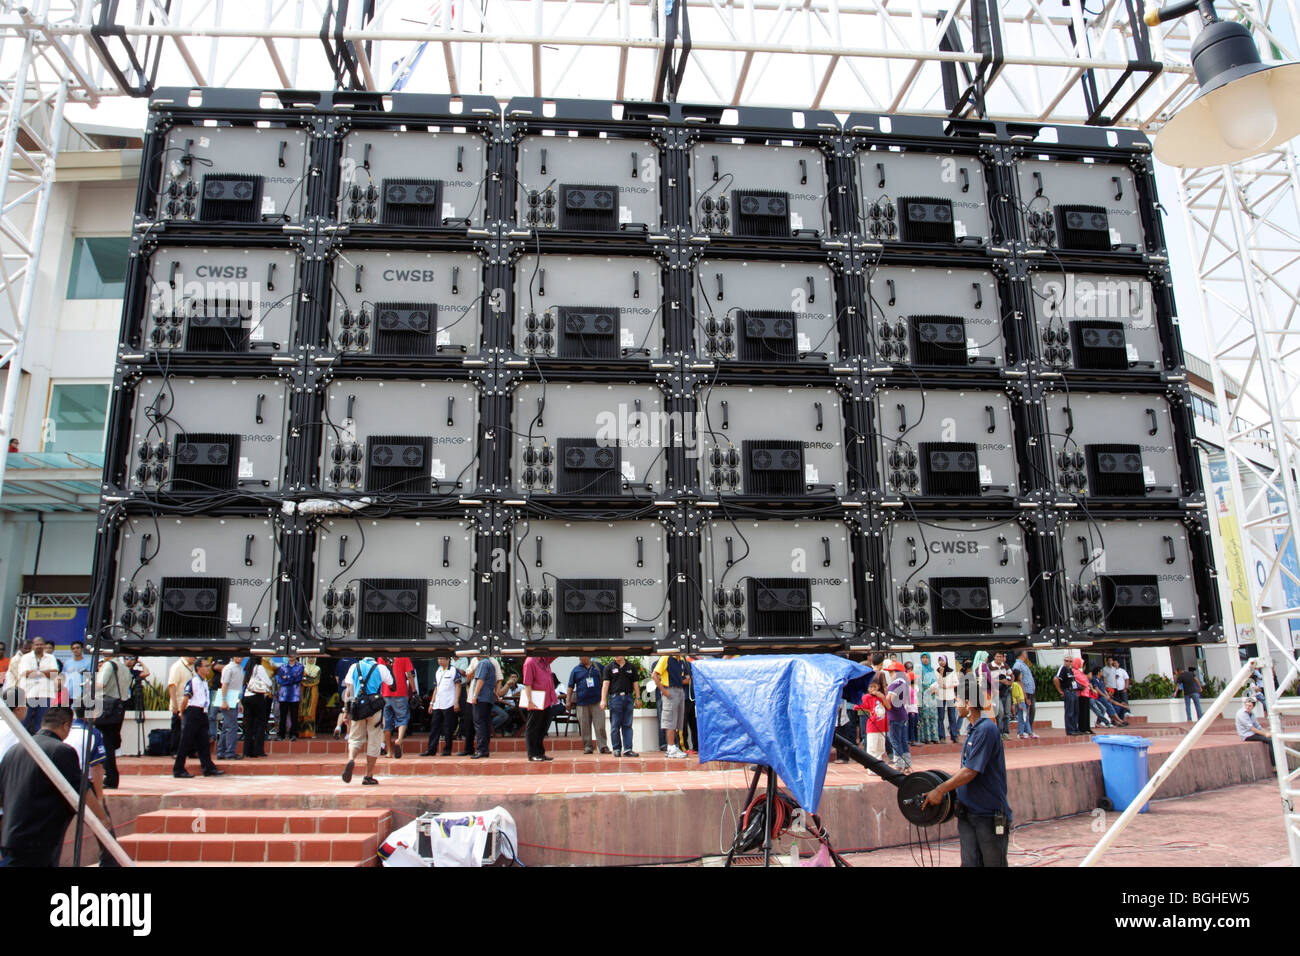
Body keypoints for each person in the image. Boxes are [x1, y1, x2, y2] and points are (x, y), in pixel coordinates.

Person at [0, 707, 111, 867]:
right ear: (66, 726)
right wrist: (102, 819)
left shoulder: (14, 750)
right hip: (38, 841)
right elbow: (82, 791)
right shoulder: (61, 751)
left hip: (10, 838)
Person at [921, 679, 1012, 867]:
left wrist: (940, 789)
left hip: (988, 814)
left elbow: (970, 771)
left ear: (968, 704)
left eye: (957, 700)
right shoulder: (973, 730)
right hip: (969, 813)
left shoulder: (986, 730)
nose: (955, 704)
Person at [341, 657, 394, 784]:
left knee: (355, 738)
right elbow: (392, 685)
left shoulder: (354, 667)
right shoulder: (381, 668)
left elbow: (349, 691)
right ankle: (368, 775)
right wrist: (390, 668)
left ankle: (351, 759)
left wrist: (346, 711)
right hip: (374, 707)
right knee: (374, 740)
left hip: (358, 707)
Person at [173, 659, 223, 778]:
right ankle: (178, 769)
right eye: (205, 666)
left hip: (202, 712)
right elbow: (186, 698)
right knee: (185, 742)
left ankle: (208, 767)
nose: (208, 668)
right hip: (192, 712)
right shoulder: (193, 681)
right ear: (198, 668)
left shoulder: (204, 682)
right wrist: (181, 712)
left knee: (203, 742)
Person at [94, 650, 133, 789]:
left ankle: (110, 776)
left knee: (104, 744)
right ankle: (111, 777)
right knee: (110, 742)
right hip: (119, 708)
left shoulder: (109, 665)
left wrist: (89, 683)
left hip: (106, 708)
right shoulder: (125, 668)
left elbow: (101, 684)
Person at [567, 656, 610, 755]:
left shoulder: (598, 667)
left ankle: (603, 746)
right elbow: (570, 686)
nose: (580, 659)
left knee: (600, 725)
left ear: (588, 657)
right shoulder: (575, 670)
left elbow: (606, 681)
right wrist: (568, 700)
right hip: (582, 703)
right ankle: (587, 746)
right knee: (584, 727)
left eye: (581, 657)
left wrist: (605, 698)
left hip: (597, 702)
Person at [653, 652, 691, 759]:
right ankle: (670, 747)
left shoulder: (681, 660)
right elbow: (654, 675)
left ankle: (674, 747)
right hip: (670, 690)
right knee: (670, 720)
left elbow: (686, 678)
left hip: (680, 690)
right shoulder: (666, 657)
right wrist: (664, 691)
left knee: (677, 721)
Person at [600, 655, 639, 757]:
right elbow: (605, 684)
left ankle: (628, 749)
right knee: (615, 725)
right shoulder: (609, 667)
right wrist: (603, 700)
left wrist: (638, 698)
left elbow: (635, 683)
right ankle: (616, 749)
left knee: (627, 724)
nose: (616, 655)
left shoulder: (631, 667)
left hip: (628, 698)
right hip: (615, 698)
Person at [18, 638, 59, 733]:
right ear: (32, 646)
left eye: (41, 644)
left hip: (45, 693)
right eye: (37, 644)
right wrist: (45, 673)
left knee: (41, 724)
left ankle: (37, 744)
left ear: (44, 645)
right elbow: (26, 673)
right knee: (23, 721)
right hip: (28, 694)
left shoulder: (50, 657)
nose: (39, 646)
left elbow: (54, 673)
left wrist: (36, 672)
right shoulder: (26, 657)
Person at [378, 656, 415, 759]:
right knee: (402, 718)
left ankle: (389, 752)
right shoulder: (404, 657)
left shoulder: (382, 657)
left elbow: (379, 675)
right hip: (400, 692)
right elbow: (410, 675)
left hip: (386, 693)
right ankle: (399, 739)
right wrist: (414, 691)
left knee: (387, 722)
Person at [522, 655, 557, 762]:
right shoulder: (530, 661)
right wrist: (530, 701)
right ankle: (532, 753)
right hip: (536, 699)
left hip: (547, 699)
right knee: (533, 727)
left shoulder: (544, 660)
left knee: (543, 727)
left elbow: (556, 654)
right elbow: (527, 683)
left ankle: (540, 752)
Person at [424, 657, 461, 756]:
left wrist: (456, 701)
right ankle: (431, 749)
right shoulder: (438, 670)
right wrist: (432, 703)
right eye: (438, 659)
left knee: (448, 727)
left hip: (449, 702)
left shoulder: (453, 670)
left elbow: (458, 686)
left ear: (448, 659)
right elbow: (436, 687)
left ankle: (447, 750)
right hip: (438, 703)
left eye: (442, 659)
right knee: (434, 727)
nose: (440, 661)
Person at [469, 655, 501, 759]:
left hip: (481, 697)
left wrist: (475, 695)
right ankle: (484, 750)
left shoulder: (482, 663)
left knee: (479, 723)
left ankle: (481, 750)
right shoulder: (491, 663)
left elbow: (480, 680)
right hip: (488, 697)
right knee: (486, 723)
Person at [241, 656, 274, 758]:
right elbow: (268, 682)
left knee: (248, 724)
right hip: (257, 697)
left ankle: (247, 750)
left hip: (246, 696)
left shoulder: (247, 668)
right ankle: (258, 750)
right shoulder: (259, 668)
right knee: (260, 724)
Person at [858, 672, 891, 773]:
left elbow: (888, 707)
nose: (872, 689)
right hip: (872, 726)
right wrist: (870, 711)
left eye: (874, 687)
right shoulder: (867, 697)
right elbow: (857, 706)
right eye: (870, 687)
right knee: (872, 747)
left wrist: (882, 697)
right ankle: (871, 769)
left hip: (882, 726)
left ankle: (879, 766)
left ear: (878, 687)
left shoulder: (881, 696)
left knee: (880, 747)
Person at [165, 656, 196, 756]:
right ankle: (175, 751)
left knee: (191, 728)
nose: (195, 659)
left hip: (191, 704)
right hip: (179, 703)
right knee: (177, 729)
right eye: (193, 656)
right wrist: (174, 704)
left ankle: (190, 750)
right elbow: (172, 685)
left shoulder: (193, 667)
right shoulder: (177, 666)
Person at [884, 661, 912, 771]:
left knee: (895, 741)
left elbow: (889, 700)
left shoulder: (895, 684)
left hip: (894, 716)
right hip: (903, 715)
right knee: (903, 741)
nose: (890, 675)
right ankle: (907, 765)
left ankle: (899, 765)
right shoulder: (904, 683)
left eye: (891, 672)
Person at [217, 654, 244, 759]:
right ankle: (229, 752)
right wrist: (224, 700)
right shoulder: (229, 668)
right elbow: (225, 685)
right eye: (238, 656)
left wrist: (239, 702)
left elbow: (237, 687)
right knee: (232, 727)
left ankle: (222, 751)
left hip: (234, 699)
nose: (240, 658)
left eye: (241, 656)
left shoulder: (239, 668)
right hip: (228, 700)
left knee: (226, 727)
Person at [1235, 696, 1274, 767]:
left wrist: (1269, 733)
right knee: (1270, 741)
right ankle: (1274, 765)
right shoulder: (1241, 713)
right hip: (1247, 735)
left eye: (1250, 706)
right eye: (1246, 705)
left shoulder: (1252, 714)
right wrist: (1265, 734)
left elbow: (1258, 727)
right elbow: (1252, 728)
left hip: (1253, 733)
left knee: (1273, 739)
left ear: (1253, 707)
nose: (1247, 707)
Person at [275, 656, 305, 742]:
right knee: (282, 716)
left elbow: (298, 679)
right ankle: (281, 734)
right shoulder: (282, 667)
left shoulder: (300, 667)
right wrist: (291, 678)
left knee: (294, 716)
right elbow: (280, 681)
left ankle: (294, 734)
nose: (291, 656)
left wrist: (287, 678)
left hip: (295, 695)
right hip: (283, 695)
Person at [1053, 655, 1080, 736]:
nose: (1068, 662)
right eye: (1066, 661)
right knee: (1070, 711)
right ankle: (1070, 730)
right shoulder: (1063, 668)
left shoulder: (1070, 670)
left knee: (1075, 711)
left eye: (1070, 661)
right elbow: (1056, 679)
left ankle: (1075, 728)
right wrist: (1060, 691)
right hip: (1068, 691)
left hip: (1073, 691)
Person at [917, 653, 940, 745]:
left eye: (927, 658)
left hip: (932, 696)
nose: (925, 659)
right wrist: (928, 686)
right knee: (925, 717)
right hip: (923, 697)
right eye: (923, 658)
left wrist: (935, 686)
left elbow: (936, 681)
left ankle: (935, 737)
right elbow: (918, 683)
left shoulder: (932, 670)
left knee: (933, 716)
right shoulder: (919, 669)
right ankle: (926, 738)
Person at [1012, 650, 1037, 733]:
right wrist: (1025, 696)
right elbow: (1016, 679)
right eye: (1025, 652)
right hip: (1024, 692)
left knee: (1031, 711)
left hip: (1030, 691)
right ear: (1022, 654)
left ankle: (1029, 730)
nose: (1026, 653)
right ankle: (1025, 731)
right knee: (1025, 713)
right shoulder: (1018, 665)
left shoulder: (1023, 664)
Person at [936, 656, 959, 743]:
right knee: (941, 717)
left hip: (950, 696)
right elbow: (936, 682)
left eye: (942, 660)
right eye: (940, 660)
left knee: (952, 716)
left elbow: (956, 682)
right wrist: (941, 674)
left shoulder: (951, 671)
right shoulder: (937, 671)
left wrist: (948, 686)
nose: (941, 662)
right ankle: (942, 736)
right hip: (940, 696)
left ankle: (954, 735)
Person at [62, 641, 92, 706]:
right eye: (73, 648)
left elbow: (90, 677)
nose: (75, 650)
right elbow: (63, 677)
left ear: (82, 649)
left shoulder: (88, 662)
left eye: (78, 648)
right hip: (69, 692)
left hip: (82, 692)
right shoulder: (67, 663)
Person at [298, 658, 321, 738]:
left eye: (312, 658)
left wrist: (306, 680)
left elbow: (316, 680)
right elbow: (300, 680)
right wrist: (308, 680)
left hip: (312, 693)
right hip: (303, 693)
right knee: (302, 711)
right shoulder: (302, 668)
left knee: (311, 712)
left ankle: (310, 733)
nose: (311, 659)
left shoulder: (317, 669)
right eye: (309, 657)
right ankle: (301, 733)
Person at [993, 652, 1013, 740]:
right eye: (998, 656)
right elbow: (988, 679)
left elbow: (1012, 675)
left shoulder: (1005, 666)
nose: (999, 658)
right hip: (996, 692)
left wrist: (1009, 682)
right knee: (1000, 712)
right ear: (994, 657)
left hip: (1006, 691)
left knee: (1007, 713)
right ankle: (999, 732)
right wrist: (1000, 681)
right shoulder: (990, 666)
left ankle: (1006, 732)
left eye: (1001, 656)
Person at [1072, 657, 1095, 736]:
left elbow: (1086, 681)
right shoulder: (1074, 671)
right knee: (1082, 712)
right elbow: (1084, 682)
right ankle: (1082, 728)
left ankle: (1087, 727)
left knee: (1086, 712)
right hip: (1080, 694)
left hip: (1086, 694)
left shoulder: (1079, 671)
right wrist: (1086, 682)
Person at [1012, 669, 1031, 739]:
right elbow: (1016, 695)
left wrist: (1026, 699)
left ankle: (1029, 732)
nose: (1021, 676)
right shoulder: (1015, 684)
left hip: (1023, 701)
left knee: (1025, 717)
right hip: (1019, 702)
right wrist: (1019, 704)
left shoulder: (1020, 683)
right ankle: (1021, 733)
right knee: (1021, 718)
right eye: (1020, 675)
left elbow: (1023, 692)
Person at [904, 662, 920, 744]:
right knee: (910, 725)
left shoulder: (914, 687)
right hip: (910, 709)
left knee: (913, 725)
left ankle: (913, 739)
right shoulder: (909, 688)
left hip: (913, 708)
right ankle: (910, 739)